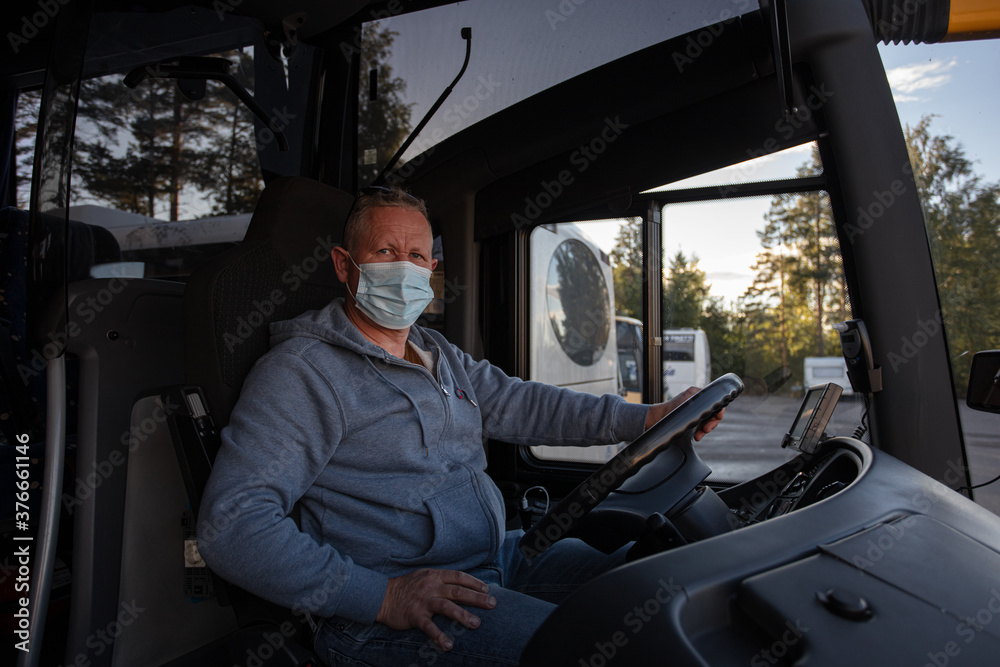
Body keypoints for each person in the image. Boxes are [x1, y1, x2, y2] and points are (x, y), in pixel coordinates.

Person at [197, 186, 724, 666]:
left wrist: (646, 419)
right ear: (344, 264)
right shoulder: (302, 373)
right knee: (594, 652)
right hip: (391, 605)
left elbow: (525, 405)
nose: (403, 268)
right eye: (384, 252)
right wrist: (380, 597)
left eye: (417, 256)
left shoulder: (434, 350)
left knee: (654, 590)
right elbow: (233, 528)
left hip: (498, 557)